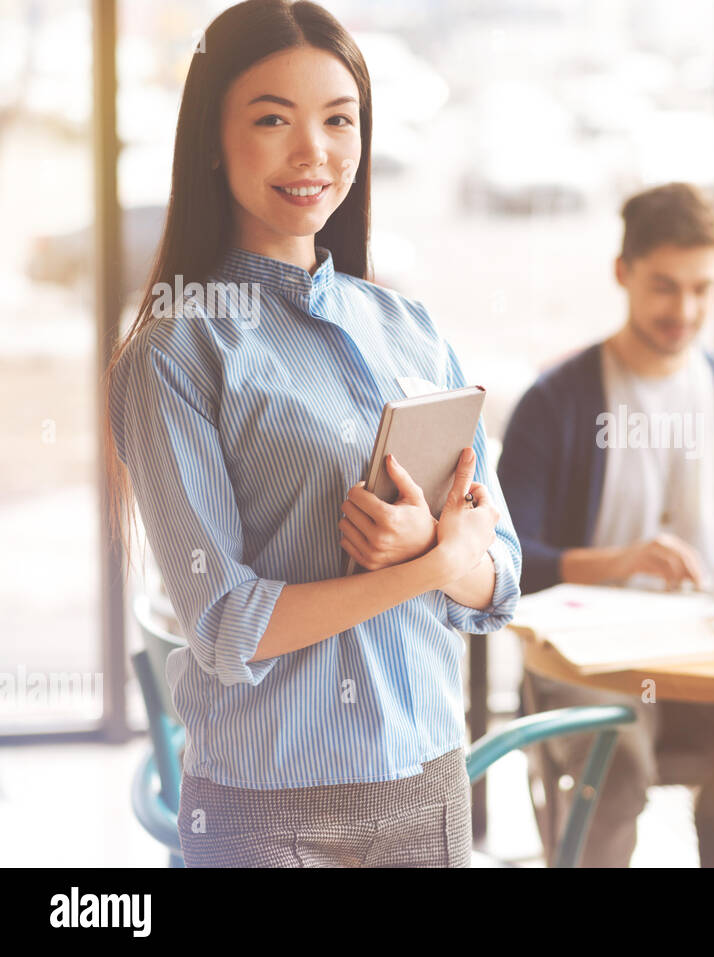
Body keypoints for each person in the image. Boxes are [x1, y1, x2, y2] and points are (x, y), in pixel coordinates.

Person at [106, 0, 519, 867]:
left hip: (432, 785)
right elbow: (226, 625)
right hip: (270, 814)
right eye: (272, 120)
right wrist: (431, 568)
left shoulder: (409, 327)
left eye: (339, 120)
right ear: (213, 140)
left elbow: (500, 573)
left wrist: (440, 549)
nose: (314, 154)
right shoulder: (176, 352)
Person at [497, 183, 714, 866]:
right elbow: (506, 557)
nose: (685, 310)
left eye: (703, 289)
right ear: (623, 273)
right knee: (617, 766)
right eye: (665, 287)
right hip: (595, 656)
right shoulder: (556, 404)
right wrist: (618, 561)